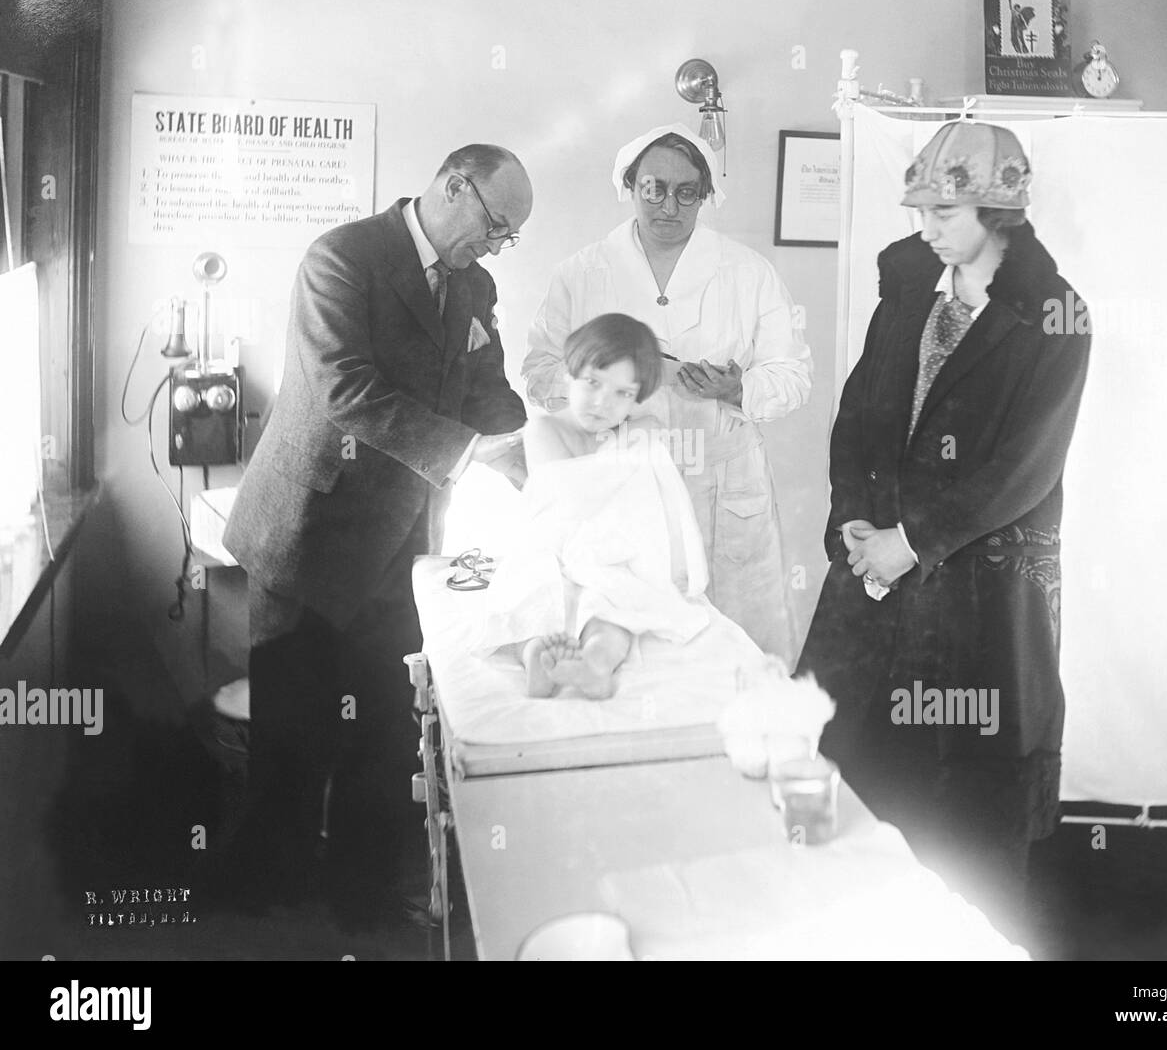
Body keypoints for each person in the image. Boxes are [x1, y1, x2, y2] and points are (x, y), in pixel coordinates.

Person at [221, 143, 531, 928]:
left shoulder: (474, 284)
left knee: (383, 737)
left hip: (401, 547)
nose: (495, 246)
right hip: (310, 535)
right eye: (496, 225)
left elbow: (487, 387)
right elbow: (345, 391)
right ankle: (271, 913)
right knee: (294, 738)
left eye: (507, 237)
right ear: (453, 187)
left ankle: (364, 905)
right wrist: (466, 454)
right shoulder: (342, 259)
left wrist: (540, 450)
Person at [797, 121, 1091, 941]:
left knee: (963, 825)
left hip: (981, 600)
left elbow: (1022, 470)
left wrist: (912, 540)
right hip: (870, 587)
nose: (924, 225)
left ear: (999, 210)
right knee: (849, 794)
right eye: (919, 205)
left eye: (944, 208)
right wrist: (852, 525)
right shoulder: (907, 287)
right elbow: (857, 417)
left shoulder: (1055, 316)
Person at [522, 125, 811, 667]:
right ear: (631, 186)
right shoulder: (582, 273)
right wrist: (601, 391)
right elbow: (538, 367)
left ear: (704, 196)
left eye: (686, 192)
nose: (668, 205)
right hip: (618, 480)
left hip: (725, 481)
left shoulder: (748, 273)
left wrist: (741, 386)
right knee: (627, 633)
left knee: (737, 647)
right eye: (653, 187)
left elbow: (792, 374)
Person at [477, 314, 712, 700]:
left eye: (624, 393)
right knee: (529, 603)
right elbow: (569, 505)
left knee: (613, 610)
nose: (603, 402)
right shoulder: (544, 430)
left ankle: (596, 664)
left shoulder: (639, 430)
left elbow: (643, 508)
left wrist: (633, 433)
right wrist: (625, 440)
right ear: (569, 374)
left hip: (606, 555)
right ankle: (538, 656)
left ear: (638, 398)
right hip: (550, 551)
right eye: (593, 383)